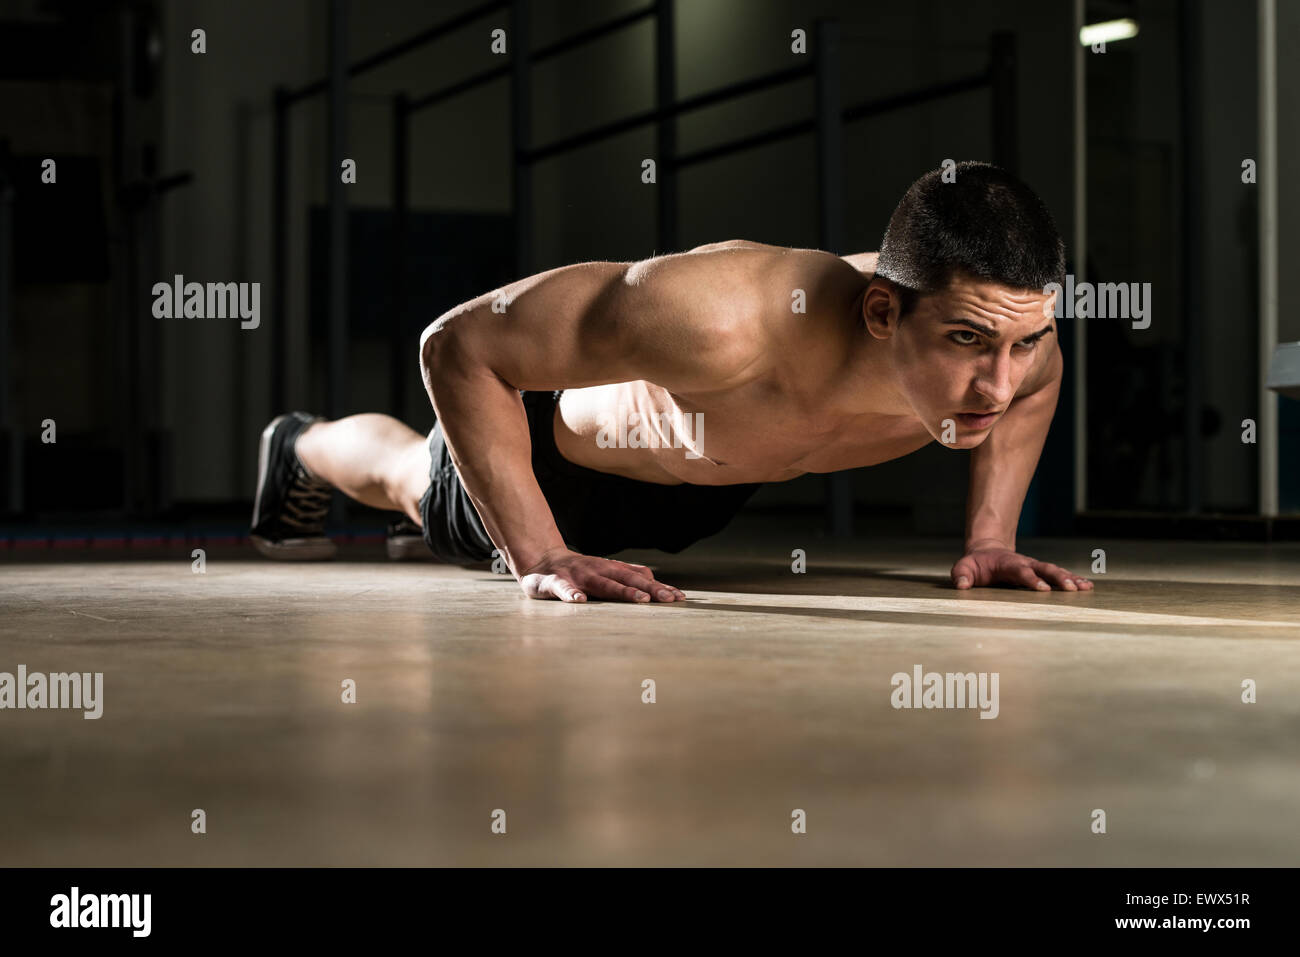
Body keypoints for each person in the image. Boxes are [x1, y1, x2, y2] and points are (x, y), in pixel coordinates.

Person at [250, 161, 1094, 603]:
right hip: (561, 458)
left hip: (709, 475)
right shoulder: (723, 316)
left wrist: (989, 537)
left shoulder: (1017, 348)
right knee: (413, 481)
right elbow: (456, 345)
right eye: (968, 341)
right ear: (881, 313)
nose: (998, 382)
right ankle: (298, 445)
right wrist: (539, 553)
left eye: (1025, 341)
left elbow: (1037, 386)